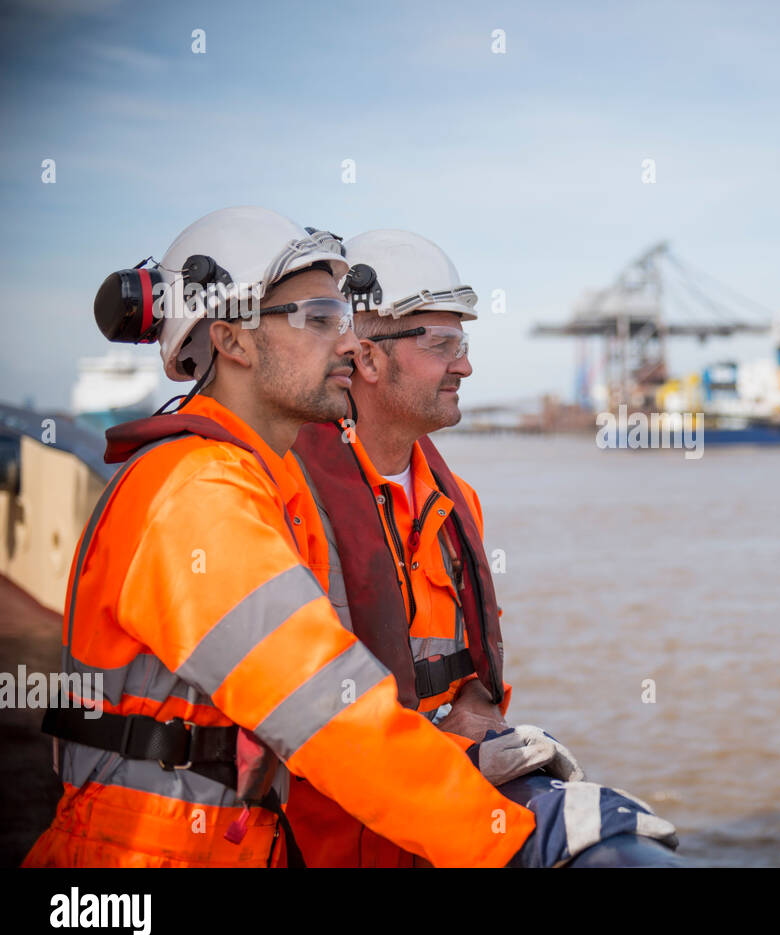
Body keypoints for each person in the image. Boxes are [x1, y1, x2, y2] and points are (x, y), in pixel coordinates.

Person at [22, 207, 540, 867]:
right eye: (319, 320)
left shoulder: (269, 491)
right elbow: (327, 711)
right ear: (233, 341)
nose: (351, 344)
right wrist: (515, 835)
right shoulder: (195, 495)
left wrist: (461, 755)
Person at [288, 230, 676, 866]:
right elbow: (297, 707)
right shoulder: (286, 495)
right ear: (365, 356)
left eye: (461, 344)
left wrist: (477, 721)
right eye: (441, 344)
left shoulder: (456, 501)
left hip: (435, 829)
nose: (464, 365)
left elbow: (472, 671)